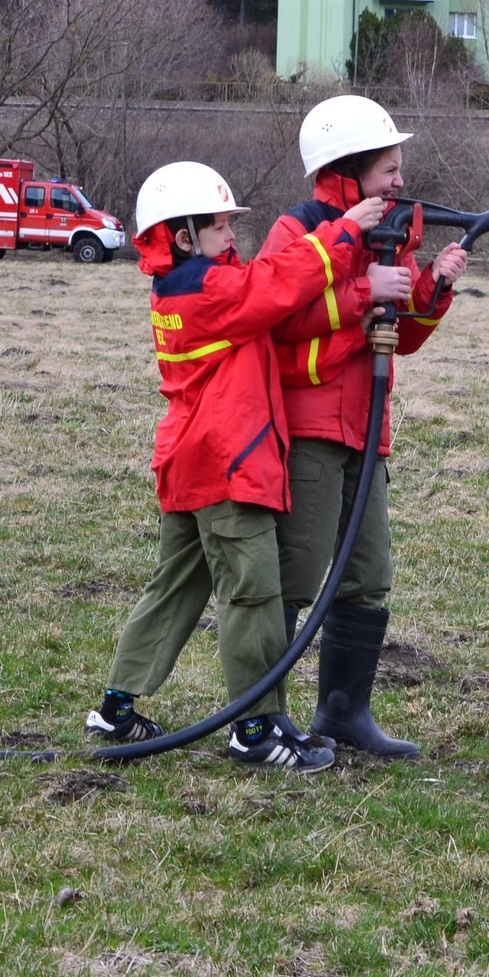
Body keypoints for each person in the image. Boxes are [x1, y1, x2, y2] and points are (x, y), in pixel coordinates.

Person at [85, 160, 386, 775]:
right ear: (182, 235)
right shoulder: (212, 291)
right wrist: (346, 230)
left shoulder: (179, 287)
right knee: (253, 594)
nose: (231, 236)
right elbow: (280, 282)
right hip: (226, 469)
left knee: (175, 586)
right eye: (219, 226)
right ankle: (254, 730)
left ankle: (115, 710)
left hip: (188, 464)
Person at [260, 95, 467, 759]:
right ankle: (262, 719)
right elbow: (280, 321)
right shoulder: (296, 233)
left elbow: (398, 338)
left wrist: (432, 287)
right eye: (388, 169)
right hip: (311, 435)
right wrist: (363, 293)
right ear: (346, 172)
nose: (400, 180)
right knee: (295, 576)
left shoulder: (390, 237)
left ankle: (344, 714)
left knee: (368, 575)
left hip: (367, 432)